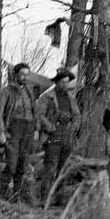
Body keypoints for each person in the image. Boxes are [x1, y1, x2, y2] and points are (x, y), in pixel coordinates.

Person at [0, 62, 40, 202]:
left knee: (22, 164)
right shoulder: (6, 91)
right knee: (11, 164)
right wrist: (1, 132)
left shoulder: (29, 92)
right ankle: (2, 196)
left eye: (27, 75)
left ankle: (16, 197)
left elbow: (35, 112)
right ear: (15, 75)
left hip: (28, 130)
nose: (25, 77)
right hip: (13, 130)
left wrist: (36, 129)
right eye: (22, 74)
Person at [37, 67, 81, 204]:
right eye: (62, 82)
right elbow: (39, 114)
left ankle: (59, 198)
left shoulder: (71, 98)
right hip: (53, 135)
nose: (65, 85)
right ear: (56, 82)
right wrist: (49, 126)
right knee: (50, 167)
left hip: (67, 135)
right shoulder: (47, 97)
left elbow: (77, 115)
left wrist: (74, 127)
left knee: (63, 168)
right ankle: (45, 199)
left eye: (67, 82)